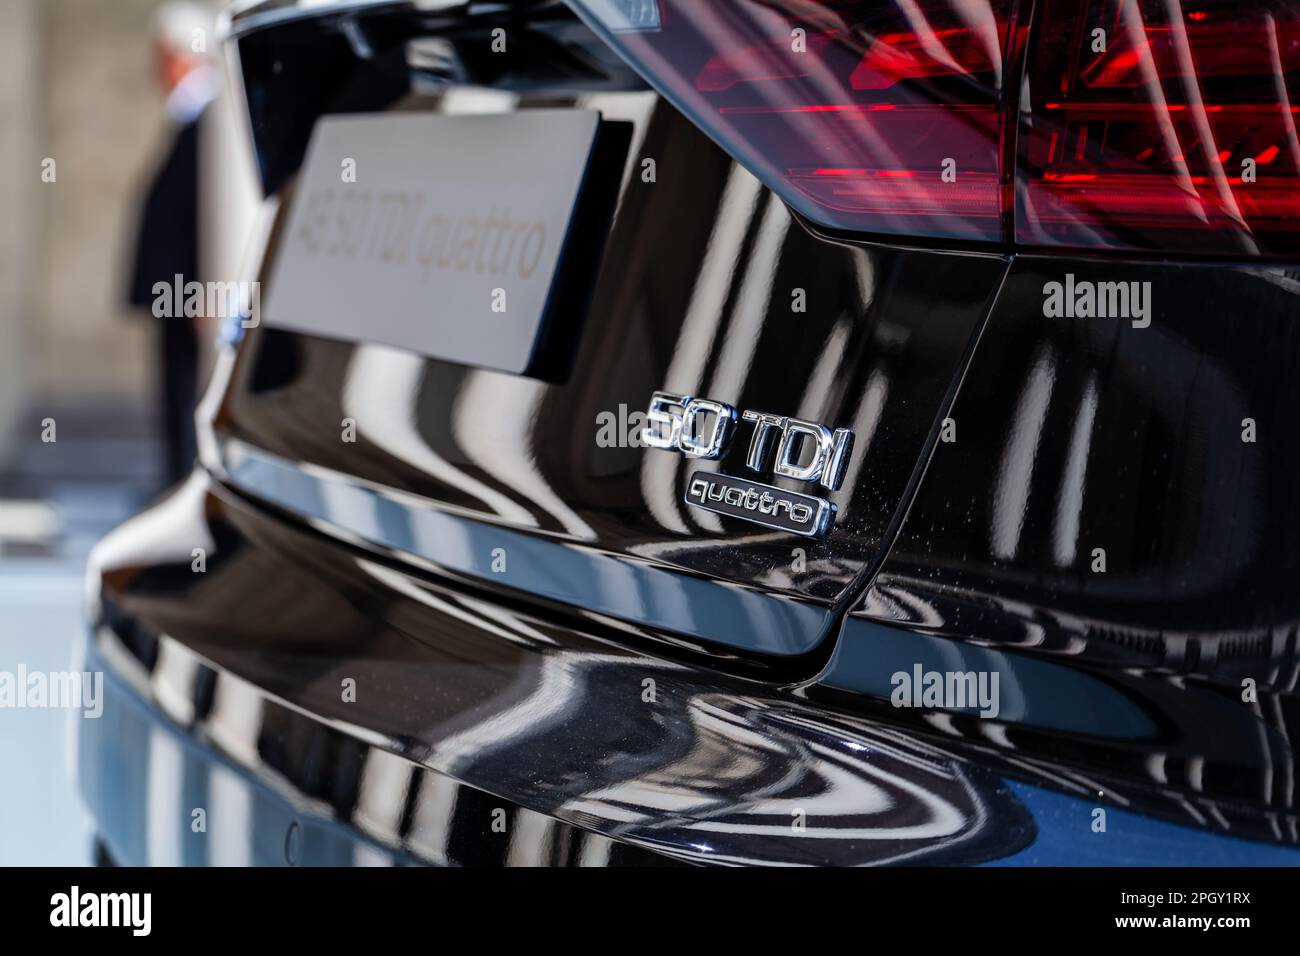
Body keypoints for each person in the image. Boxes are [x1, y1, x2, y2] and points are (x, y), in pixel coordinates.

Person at [127, 2, 219, 489]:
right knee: (174, 394)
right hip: (177, 287)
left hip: (188, 288)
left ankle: (185, 487)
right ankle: (176, 484)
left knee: (187, 395)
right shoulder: (191, 115)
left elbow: (209, 208)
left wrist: (207, 285)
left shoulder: (207, 116)